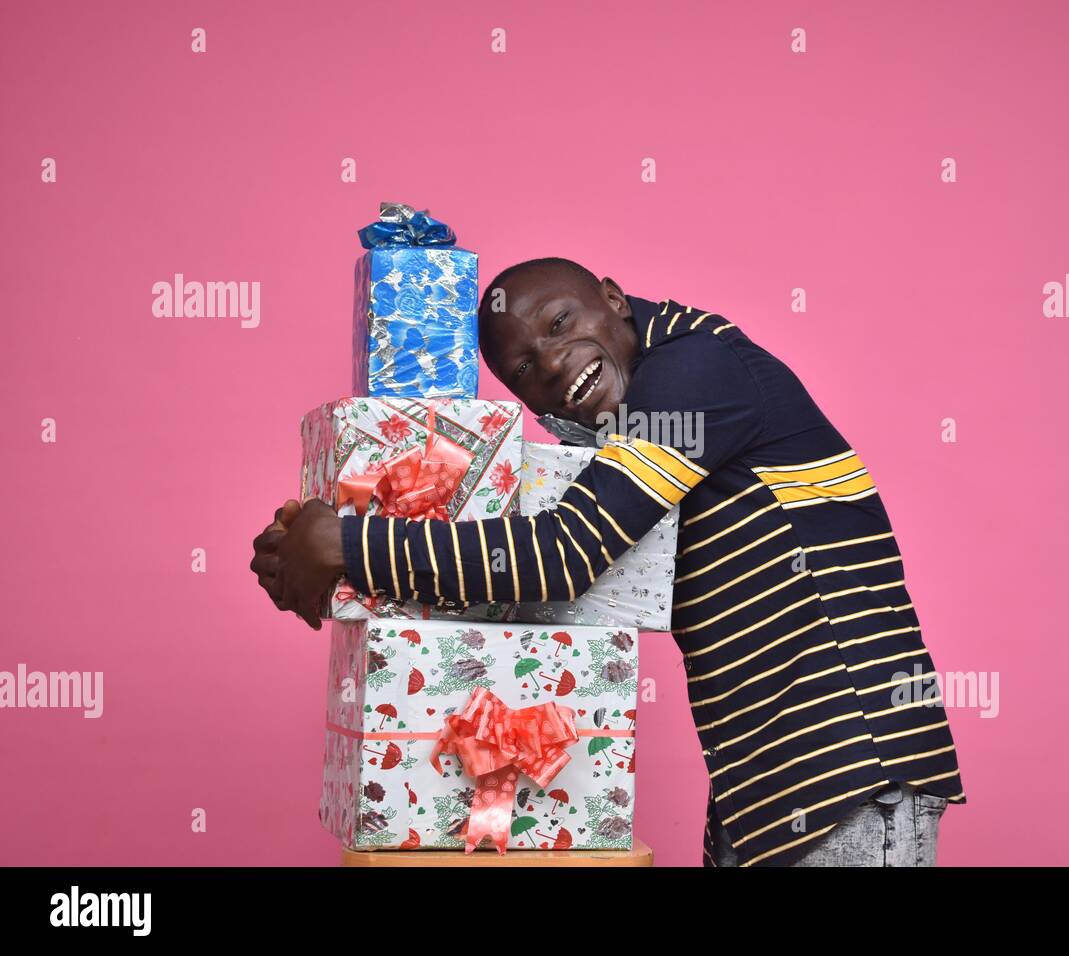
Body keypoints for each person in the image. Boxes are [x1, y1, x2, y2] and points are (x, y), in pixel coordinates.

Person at [251, 257, 966, 866]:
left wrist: (345, 545)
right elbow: (561, 593)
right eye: (525, 368)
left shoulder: (697, 370)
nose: (555, 363)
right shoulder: (633, 424)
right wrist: (335, 575)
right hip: (768, 788)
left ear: (615, 299)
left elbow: (565, 554)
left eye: (561, 324)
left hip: (847, 768)